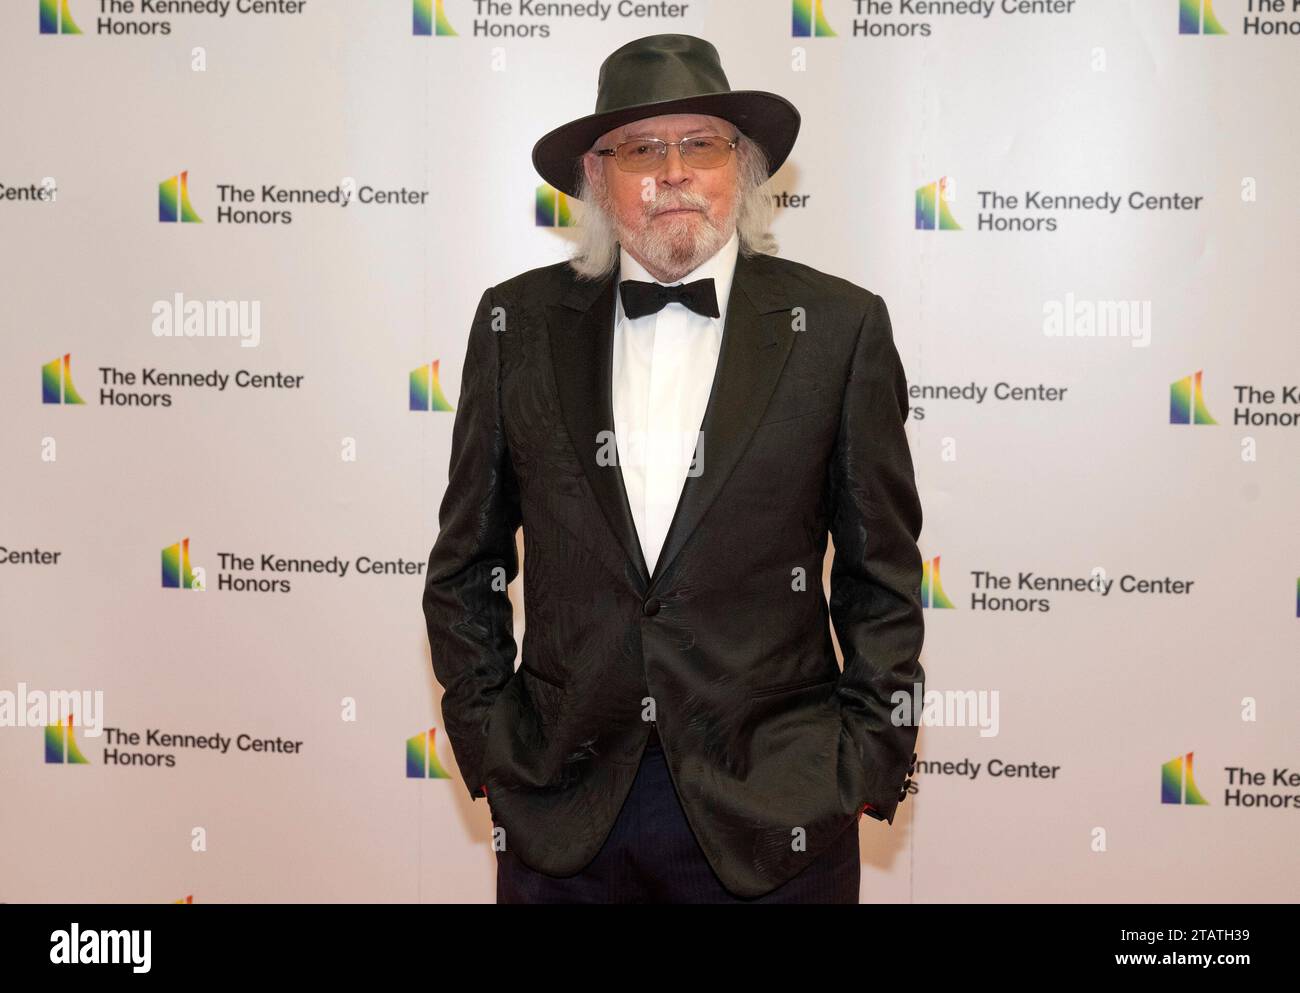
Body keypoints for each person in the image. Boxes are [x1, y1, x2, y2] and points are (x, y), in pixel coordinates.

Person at [421, 33, 924, 903]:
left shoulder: (839, 330)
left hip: (776, 819)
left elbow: (883, 579)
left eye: (702, 144)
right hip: (563, 814)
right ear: (596, 175)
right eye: (642, 150)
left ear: (745, 166)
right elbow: (465, 564)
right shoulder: (515, 325)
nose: (673, 172)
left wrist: (859, 766)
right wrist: (494, 746)